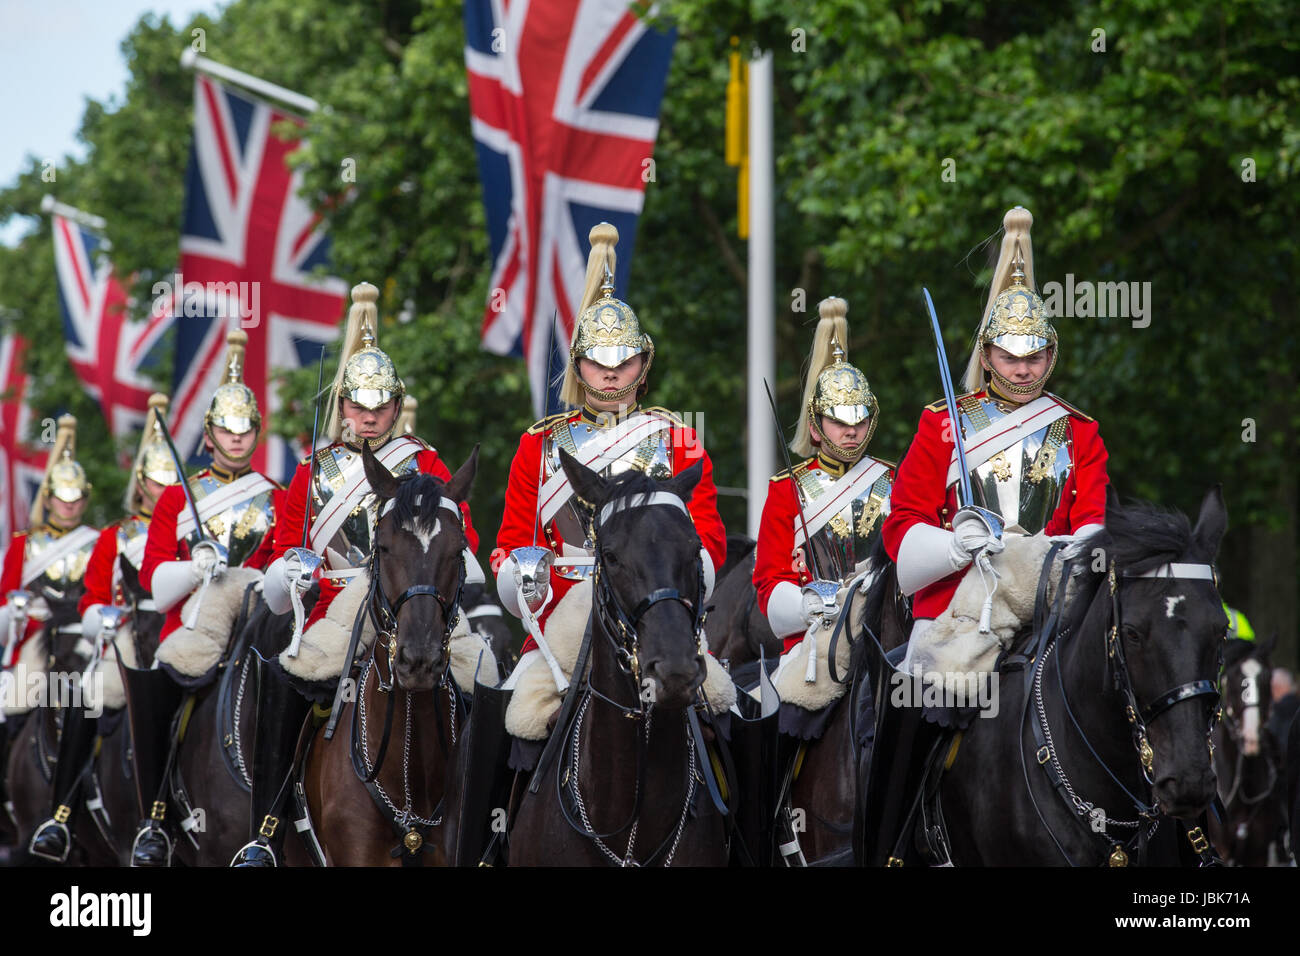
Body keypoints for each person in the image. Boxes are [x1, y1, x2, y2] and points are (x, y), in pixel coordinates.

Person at [863, 205, 1111, 864]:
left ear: (1051, 355)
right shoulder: (943, 424)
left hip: (1053, 602)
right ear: (988, 354)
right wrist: (954, 544)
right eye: (1011, 354)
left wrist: (1049, 557)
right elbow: (901, 525)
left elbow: (1093, 527)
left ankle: (1190, 840)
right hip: (960, 606)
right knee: (914, 699)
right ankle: (891, 842)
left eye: (1037, 355)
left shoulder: (1078, 430)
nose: (1025, 368)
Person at [243, 281, 479, 867]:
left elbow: (463, 540)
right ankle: (267, 827)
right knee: (292, 673)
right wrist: (291, 572)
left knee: (486, 676)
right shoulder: (314, 472)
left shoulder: (426, 463)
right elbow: (283, 548)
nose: (369, 417)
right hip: (338, 603)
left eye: (380, 406)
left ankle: (487, 821)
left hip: (416, 600)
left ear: (396, 406)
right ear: (342, 406)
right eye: (357, 405)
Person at [494, 222, 726, 732]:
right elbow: (512, 542)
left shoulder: (676, 437)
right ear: (579, 366)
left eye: (624, 361)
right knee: (505, 726)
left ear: (643, 364)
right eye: (598, 362)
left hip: (660, 616)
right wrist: (521, 576)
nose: (611, 372)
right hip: (560, 624)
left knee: (727, 712)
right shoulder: (540, 443)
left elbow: (708, 537)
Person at [126, 330, 282, 866]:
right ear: (210, 435)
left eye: (245, 430)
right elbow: (152, 579)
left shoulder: (277, 497)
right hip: (195, 624)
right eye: (226, 429)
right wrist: (195, 567)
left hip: (260, 620)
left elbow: (283, 561)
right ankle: (157, 817)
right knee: (161, 688)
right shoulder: (177, 496)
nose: (236, 438)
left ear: (256, 434)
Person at [26, 397, 179, 861]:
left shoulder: (193, 525)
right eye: (155, 479)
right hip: (129, 635)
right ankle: (62, 817)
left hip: (179, 629)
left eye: (171, 480)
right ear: (141, 483)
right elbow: (92, 595)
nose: (162, 487)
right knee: (86, 693)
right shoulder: (116, 535)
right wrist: (101, 619)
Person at [753, 295, 894, 660]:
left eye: (859, 420)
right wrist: (806, 607)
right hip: (814, 641)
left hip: (888, 633)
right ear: (815, 427)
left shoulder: (894, 478)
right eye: (839, 421)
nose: (851, 431)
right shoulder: (786, 488)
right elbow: (770, 581)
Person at [0, 416, 99, 863]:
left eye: (77, 498)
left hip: (79, 642)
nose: (69, 505)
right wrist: (13, 613)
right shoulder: (24, 544)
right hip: (36, 643)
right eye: (62, 496)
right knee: (12, 704)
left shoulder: (97, 542)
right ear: (50, 497)